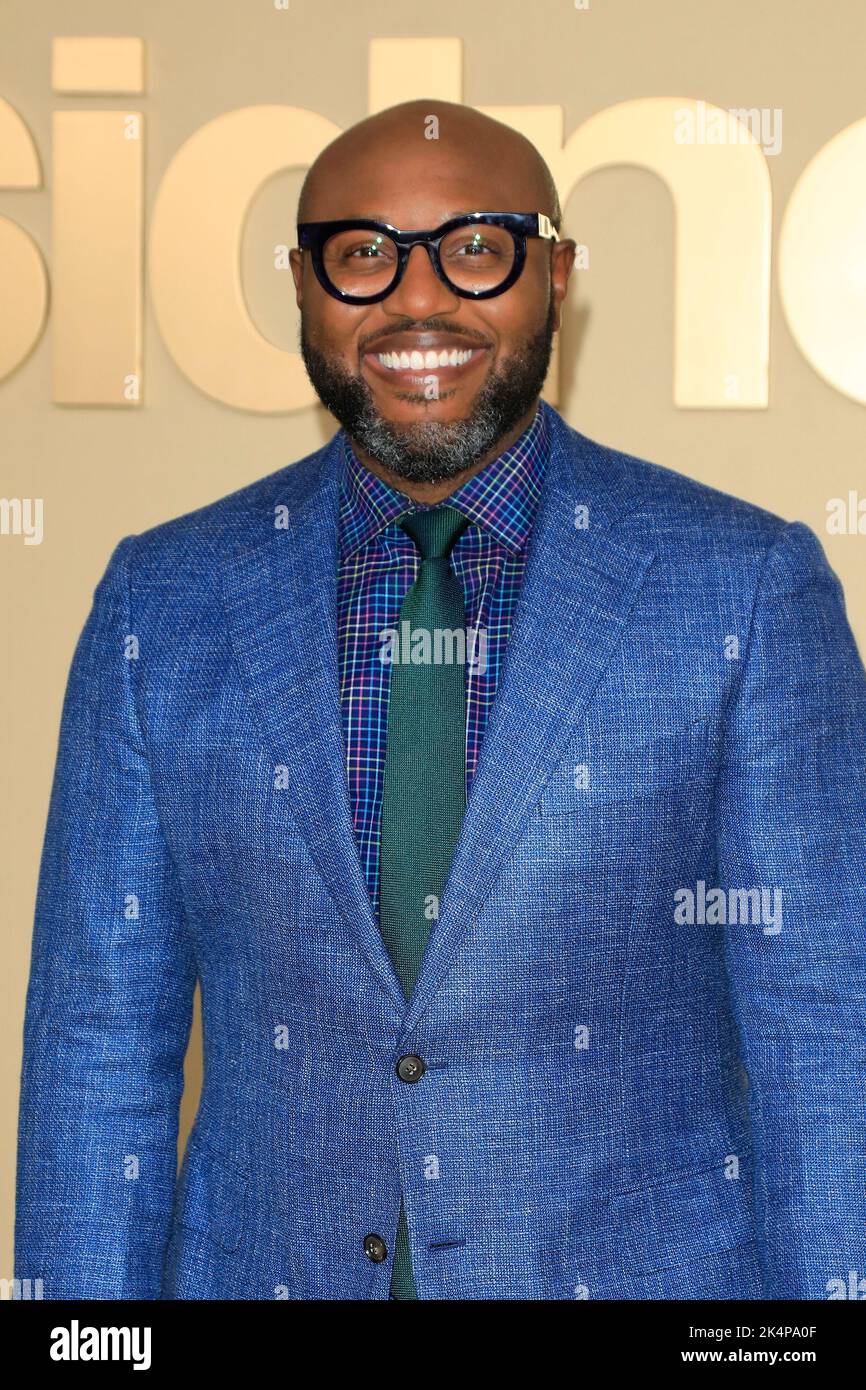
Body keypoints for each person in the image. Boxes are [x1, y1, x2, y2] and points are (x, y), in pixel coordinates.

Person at [14, 99, 866, 1301]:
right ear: (303, 288)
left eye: (476, 247)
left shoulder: (740, 589)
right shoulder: (165, 601)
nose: (419, 301)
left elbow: (824, 1040)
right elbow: (97, 1051)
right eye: (363, 254)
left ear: (556, 273)